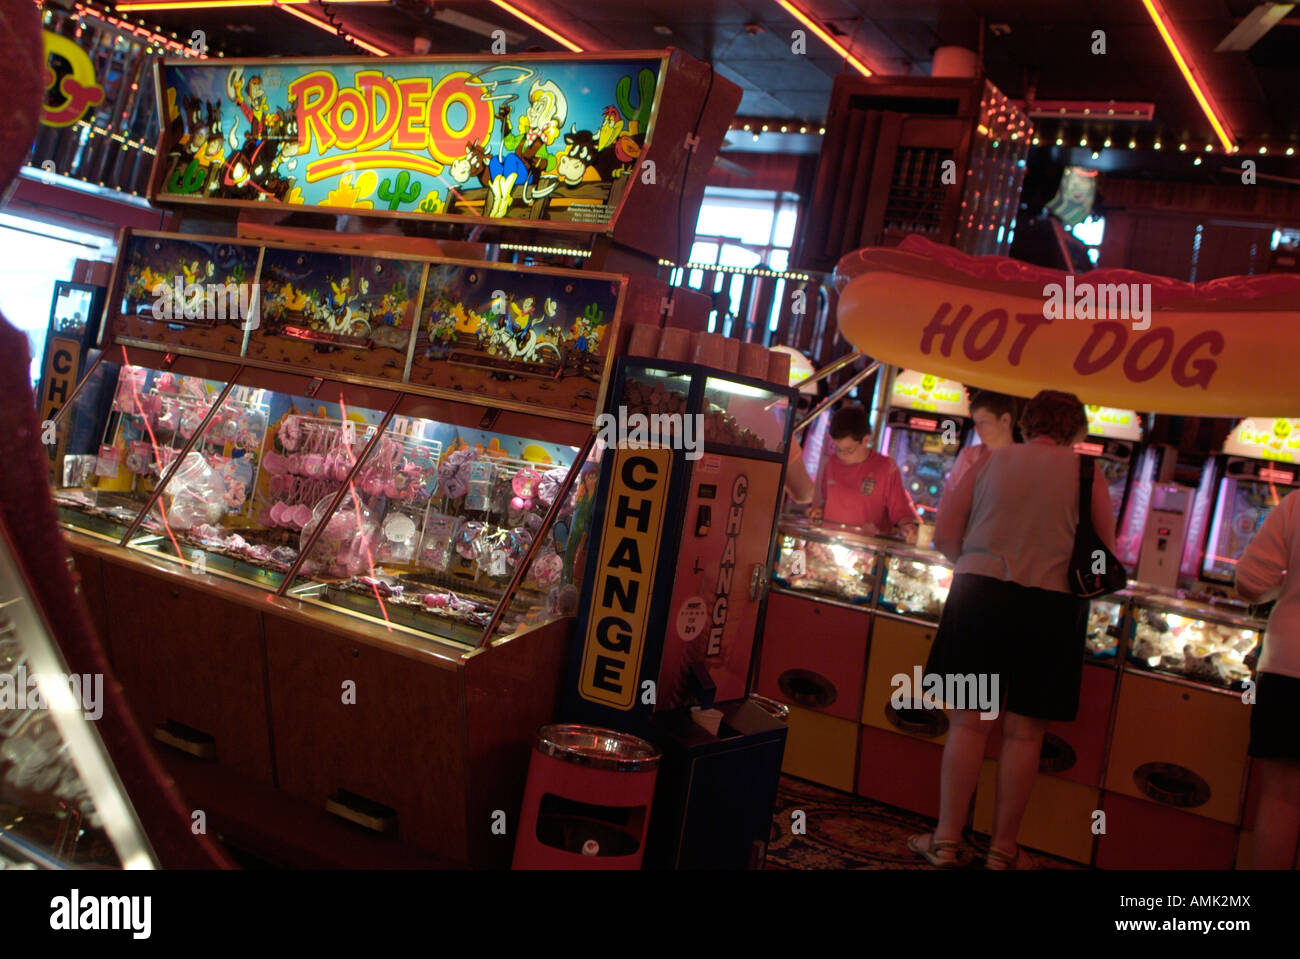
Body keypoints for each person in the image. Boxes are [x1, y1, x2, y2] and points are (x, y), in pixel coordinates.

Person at [908, 390, 1115, 869]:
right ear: (1079, 430)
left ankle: (944, 842)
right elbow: (1104, 555)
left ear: (1024, 422)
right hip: (1051, 609)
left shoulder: (990, 461)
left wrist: (978, 566)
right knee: (1023, 736)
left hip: (980, 597)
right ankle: (1003, 852)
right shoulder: (1088, 473)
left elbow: (943, 535)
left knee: (968, 724)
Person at [1235, 487, 1300, 869]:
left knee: (1280, 800)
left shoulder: (1295, 504)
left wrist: (1286, 591)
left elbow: (1248, 583)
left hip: (1289, 662)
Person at [807, 404, 919, 543]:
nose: (842, 455)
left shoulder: (885, 467)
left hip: (866, 549)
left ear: (865, 440)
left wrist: (908, 527)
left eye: (849, 450)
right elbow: (826, 502)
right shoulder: (831, 463)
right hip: (829, 545)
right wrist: (819, 512)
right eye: (838, 448)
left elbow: (901, 514)